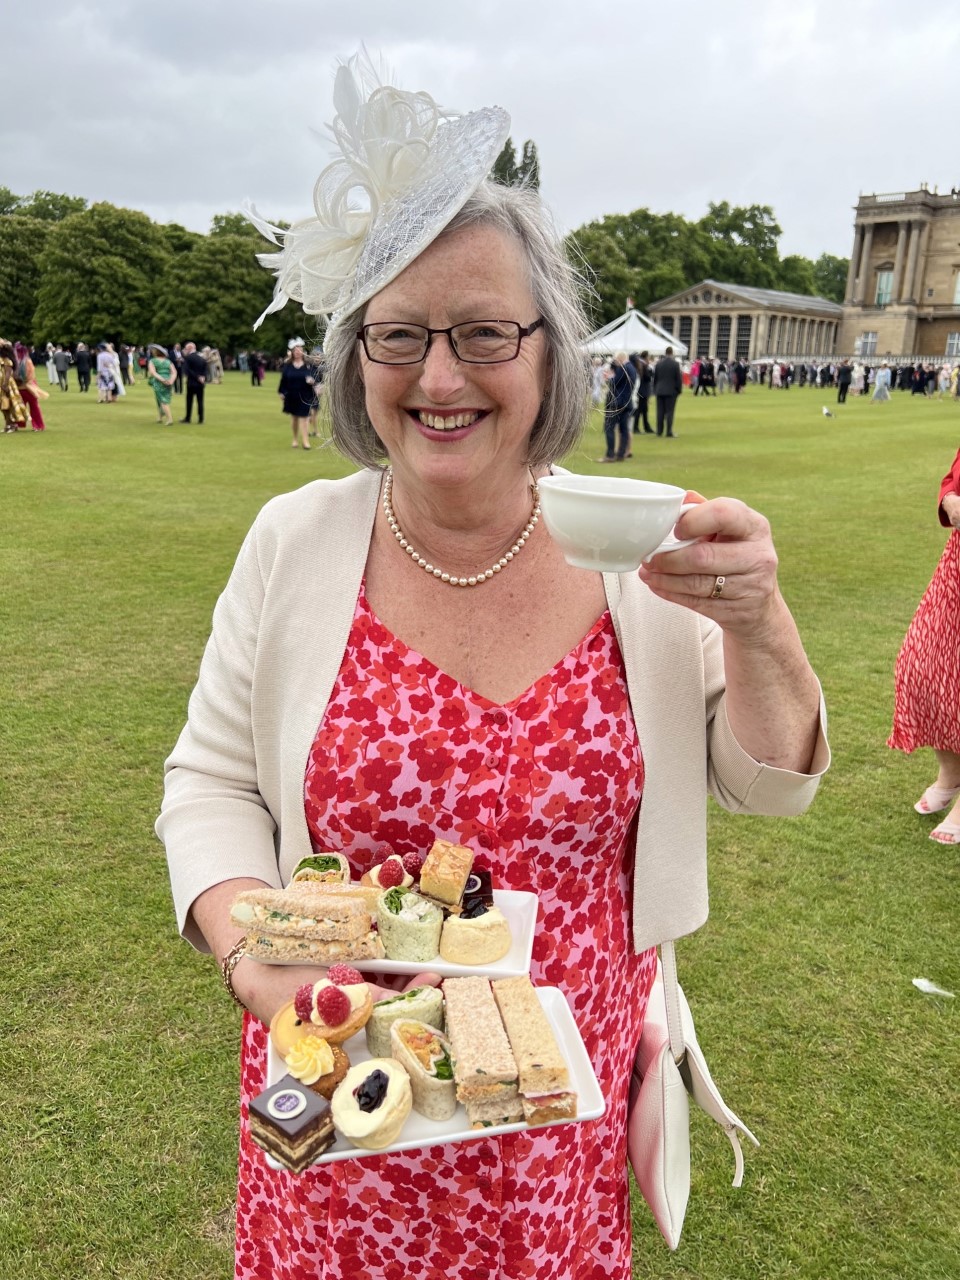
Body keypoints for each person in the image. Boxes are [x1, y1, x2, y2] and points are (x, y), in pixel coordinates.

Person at [156, 58, 828, 1280]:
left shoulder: (640, 547)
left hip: (553, 1123)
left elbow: (770, 779)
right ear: (358, 357)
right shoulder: (293, 542)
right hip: (343, 1091)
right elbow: (207, 783)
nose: (442, 376)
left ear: (546, 350)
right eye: (399, 335)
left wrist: (762, 623)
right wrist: (255, 955)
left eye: (482, 332)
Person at [888, 448, 960, 843]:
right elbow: (952, 477)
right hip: (956, 563)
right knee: (921, 664)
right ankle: (950, 775)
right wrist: (948, 500)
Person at [277, 342, 318, 449]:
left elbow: (316, 378)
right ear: (292, 353)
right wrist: (281, 392)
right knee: (294, 418)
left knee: (304, 418)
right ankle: (295, 439)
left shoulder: (308, 366)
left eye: (300, 350)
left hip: (305, 395)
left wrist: (312, 381)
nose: (298, 353)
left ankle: (305, 441)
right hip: (291, 395)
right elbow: (283, 380)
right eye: (296, 351)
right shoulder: (288, 366)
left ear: (303, 352)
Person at [598, 351, 636, 461]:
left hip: (617, 403)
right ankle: (621, 454)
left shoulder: (624, 368)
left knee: (609, 427)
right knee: (624, 430)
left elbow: (615, 382)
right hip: (627, 403)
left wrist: (608, 377)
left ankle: (610, 454)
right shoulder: (632, 368)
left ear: (619, 358)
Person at [13, 342, 47, 431]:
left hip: (28, 387)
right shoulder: (18, 361)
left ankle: (37, 425)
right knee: (21, 407)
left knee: (33, 407)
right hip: (22, 388)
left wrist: (21, 381)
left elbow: (30, 376)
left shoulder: (26, 361)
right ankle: (20, 423)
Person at [653, 345, 683, 435]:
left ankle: (659, 431)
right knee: (670, 412)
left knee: (660, 411)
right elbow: (678, 379)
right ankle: (669, 431)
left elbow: (655, 378)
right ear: (672, 353)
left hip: (660, 390)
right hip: (671, 391)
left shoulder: (658, 364)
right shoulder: (675, 364)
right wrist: (679, 390)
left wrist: (655, 389)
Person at [0, 340, 28, 431]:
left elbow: (8, 373)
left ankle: (11, 424)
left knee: (8, 405)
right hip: (1, 384)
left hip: (6, 384)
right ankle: (8, 423)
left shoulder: (7, 360)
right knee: (3, 406)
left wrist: (5, 384)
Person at [147, 343, 176, 425]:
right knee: (160, 399)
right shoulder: (168, 361)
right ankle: (160, 417)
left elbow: (153, 373)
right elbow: (174, 372)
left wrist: (162, 380)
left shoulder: (152, 361)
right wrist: (171, 380)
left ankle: (170, 419)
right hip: (168, 380)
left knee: (163, 400)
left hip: (159, 382)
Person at [180, 342, 207, 423]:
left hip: (191, 382)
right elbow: (205, 369)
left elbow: (187, 371)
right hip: (200, 383)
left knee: (189, 401)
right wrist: (202, 377)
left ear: (189, 348)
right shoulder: (202, 358)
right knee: (200, 401)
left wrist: (197, 377)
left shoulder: (188, 358)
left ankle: (188, 418)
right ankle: (201, 418)